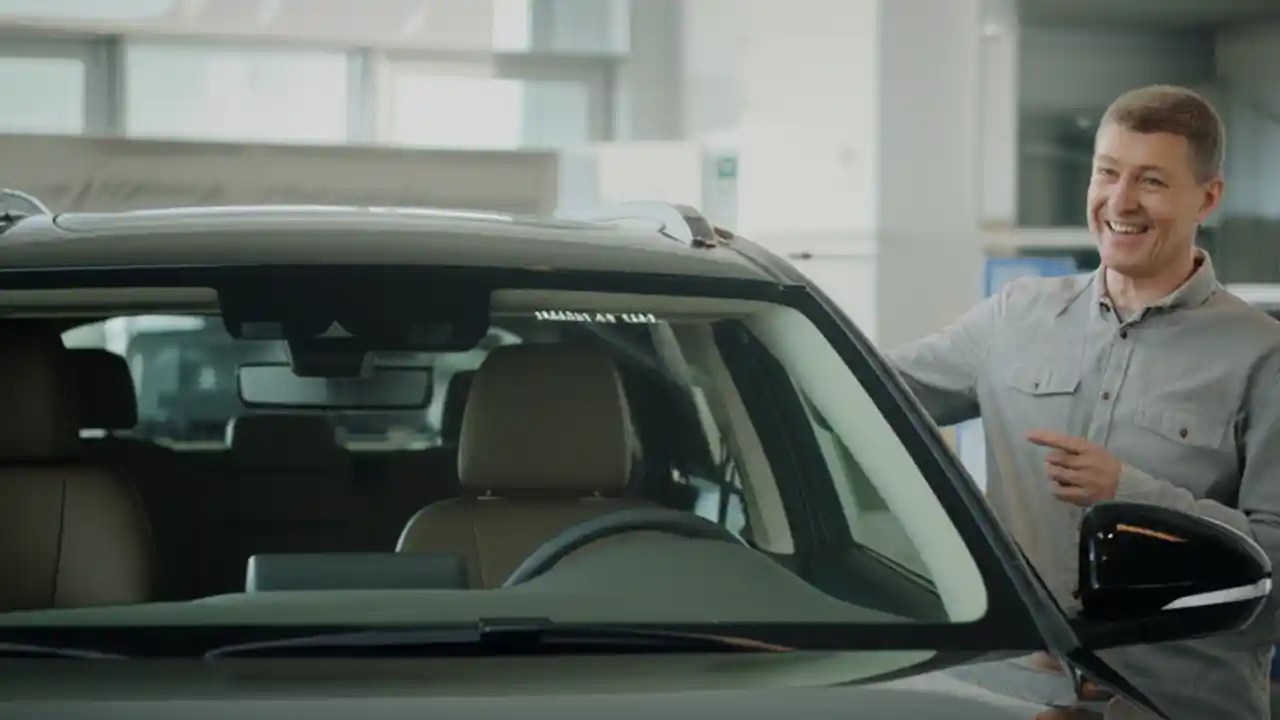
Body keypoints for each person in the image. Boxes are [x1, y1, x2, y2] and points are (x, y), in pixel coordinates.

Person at [888, 84, 1280, 719]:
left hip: (1174, 707)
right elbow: (862, 395)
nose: (1120, 202)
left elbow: (1276, 565)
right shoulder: (1014, 317)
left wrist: (1130, 493)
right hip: (1017, 701)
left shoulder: (1264, 357)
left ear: (1208, 197)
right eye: (1107, 173)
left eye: (1152, 181)